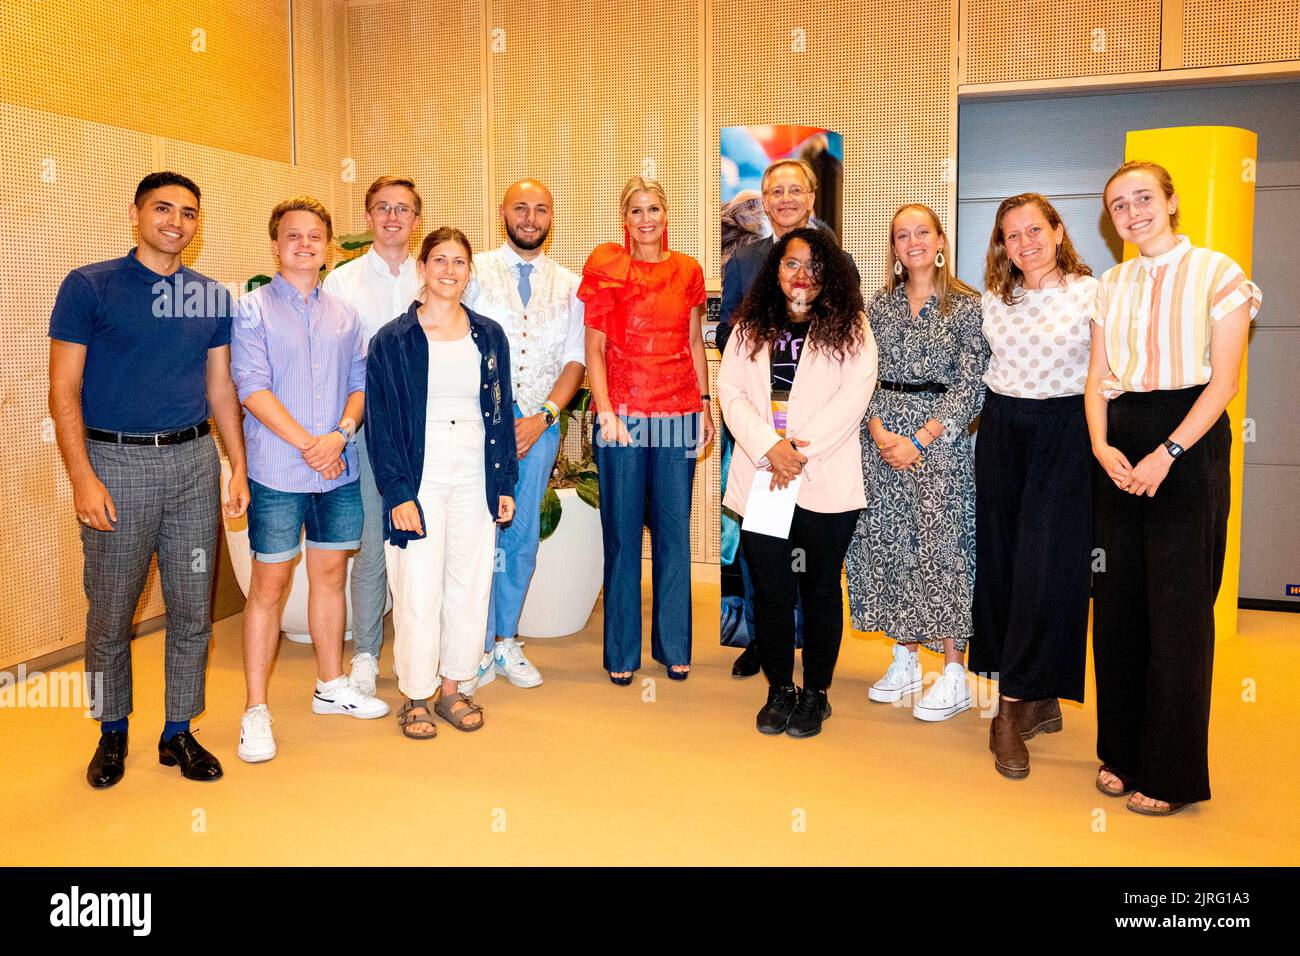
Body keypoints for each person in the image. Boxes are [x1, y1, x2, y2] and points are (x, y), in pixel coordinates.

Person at [50, 171, 249, 789]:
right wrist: (82, 477)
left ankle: (178, 732)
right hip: (115, 465)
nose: (175, 222)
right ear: (136, 213)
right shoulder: (90, 286)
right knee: (111, 614)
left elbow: (221, 388)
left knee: (192, 610)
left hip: (193, 466)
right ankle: (113, 732)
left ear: (198, 223)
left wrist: (236, 463)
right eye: (163, 209)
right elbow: (63, 390)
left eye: (188, 213)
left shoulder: (211, 297)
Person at [1087, 161, 1259, 815]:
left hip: (1189, 439)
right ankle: (1122, 753)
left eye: (1142, 199)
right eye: (1118, 206)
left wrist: (1169, 451)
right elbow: (1098, 375)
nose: (1132, 213)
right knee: (1120, 605)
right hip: (1120, 437)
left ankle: (1172, 772)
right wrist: (1102, 445)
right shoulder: (1111, 282)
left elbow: (1224, 382)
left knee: (1180, 613)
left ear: (1171, 201)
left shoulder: (1220, 273)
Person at [231, 196, 388, 764]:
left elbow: (358, 382)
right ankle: (255, 710)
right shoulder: (250, 311)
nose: (304, 244)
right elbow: (251, 387)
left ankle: (330, 685)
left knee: (328, 576)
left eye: (315, 236)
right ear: (275, 246)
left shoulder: (345, 314)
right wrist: (309, 444)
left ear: (326, 247)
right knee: (268, 589)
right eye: (293, 236)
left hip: (336, 470)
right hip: (278, 470)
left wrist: (341, 434)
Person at [719, 228, 877, 737]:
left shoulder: (852, 327)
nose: (801, 275)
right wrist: (770, 447)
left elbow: (854, 397)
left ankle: (817, 693)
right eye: (791, 264)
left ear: (828, 273)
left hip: (823, 478)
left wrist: (796, 453)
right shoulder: (750, 326)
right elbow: (732, 393)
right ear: (776, 270)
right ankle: (780, 687)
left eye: (812, 265)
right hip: (767, 473)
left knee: (820, 590)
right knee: (770, 588)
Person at [365, 227, 517, 739]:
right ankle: (415, 693)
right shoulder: (392, 339)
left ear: (468, 272)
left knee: (470, 584)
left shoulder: (489, 334)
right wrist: (398, 493)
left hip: (477, 468)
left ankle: (455, 686)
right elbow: (382, 424)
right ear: (422, 269)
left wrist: (505, 484)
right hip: (418, 471)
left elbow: (499, 413)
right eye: (440, 261)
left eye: (459, 262)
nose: (449, 271)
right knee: (416, 585)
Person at [970, 193, 1097, 778]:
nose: (1024, 243)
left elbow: (1112, 370)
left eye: (1033, 230)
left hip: (1065, 432)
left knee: (1048, 567)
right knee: (1001, 565)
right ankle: (1033, 696)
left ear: (1058, 230)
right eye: (1011, 235)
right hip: (1002, 431)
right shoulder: (996, 297)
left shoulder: (1093, 294)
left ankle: (1010, 709)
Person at [845, 203, 988, 721]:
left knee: (941, 545)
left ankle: (954, 671)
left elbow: (972, 383)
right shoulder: (877, 307)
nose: (913, 242)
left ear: (940, 238)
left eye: (921, 232)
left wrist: (923, 437)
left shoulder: (968, 306)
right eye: (902, 235)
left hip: (940, 443)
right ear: (894, 247)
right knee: (888, 543)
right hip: (881, 439)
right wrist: (880, 430)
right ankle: (904, 656)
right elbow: (863, 375)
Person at [718, 158, 858, 679]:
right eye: (774, 190)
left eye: (794, 189)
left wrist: (795, 448)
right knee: (767, 566)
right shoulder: (745, 256)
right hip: (761, 440)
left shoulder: (838, 261)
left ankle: (812, 673)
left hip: (815, 453)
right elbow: (727, 338)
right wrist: (768, 445)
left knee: (816, 574)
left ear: (812, 196)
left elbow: (850, 370)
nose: (784, 199)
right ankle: (765, 641)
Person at [579, 176, 714, 685]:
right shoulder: (606, 267)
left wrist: (704, 404)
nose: (645, 218)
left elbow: (695, 342)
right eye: (635, 210)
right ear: (624, 218)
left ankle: (675, 645)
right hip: (624, 418)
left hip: (679, 412)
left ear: (666, 214)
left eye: (653, 208)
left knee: (675, 535)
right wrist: (606, 409)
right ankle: (621, 653)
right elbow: (594, 348)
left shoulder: (688, 270)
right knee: (622, 535)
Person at [459, 179, 585, 693]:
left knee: (521, 533)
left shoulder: (570, 284)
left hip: (542, 423)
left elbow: (576, 359)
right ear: (502, 212)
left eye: (541, 209)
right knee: (476, 531)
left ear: (552, 217)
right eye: (520, 208)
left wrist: (545, 416)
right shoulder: (473, 272)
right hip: (478, 421)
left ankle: (506, 639)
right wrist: (492, 418)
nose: (530, 217)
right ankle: (474, 644)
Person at [321, 176, 423, 698]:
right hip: (363, 427)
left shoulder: (432, 277)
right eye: (382, 207)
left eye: (402, 208)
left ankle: (421, 648)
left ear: (415, 219)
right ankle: (364, 652)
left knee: (422, 542)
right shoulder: (341, 282)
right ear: (367, 217)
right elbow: (337, 364)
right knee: (370, 546)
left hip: (423, 432)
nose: (391, 216)